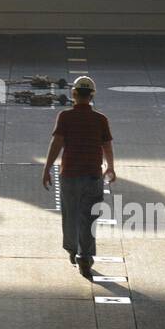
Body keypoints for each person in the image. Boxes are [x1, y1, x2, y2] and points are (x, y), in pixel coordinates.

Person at [41, 75, 115, 278]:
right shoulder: (101, 119)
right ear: (92, 96)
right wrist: (111, 167)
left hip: (70, 174)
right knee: (89, 218)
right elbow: (107, 145)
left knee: (70, 214)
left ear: (73, 94)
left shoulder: (65, 117)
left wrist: (47, 167)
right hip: (93, 175)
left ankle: (73, 250)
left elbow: (56, 143)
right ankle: (85, 257)